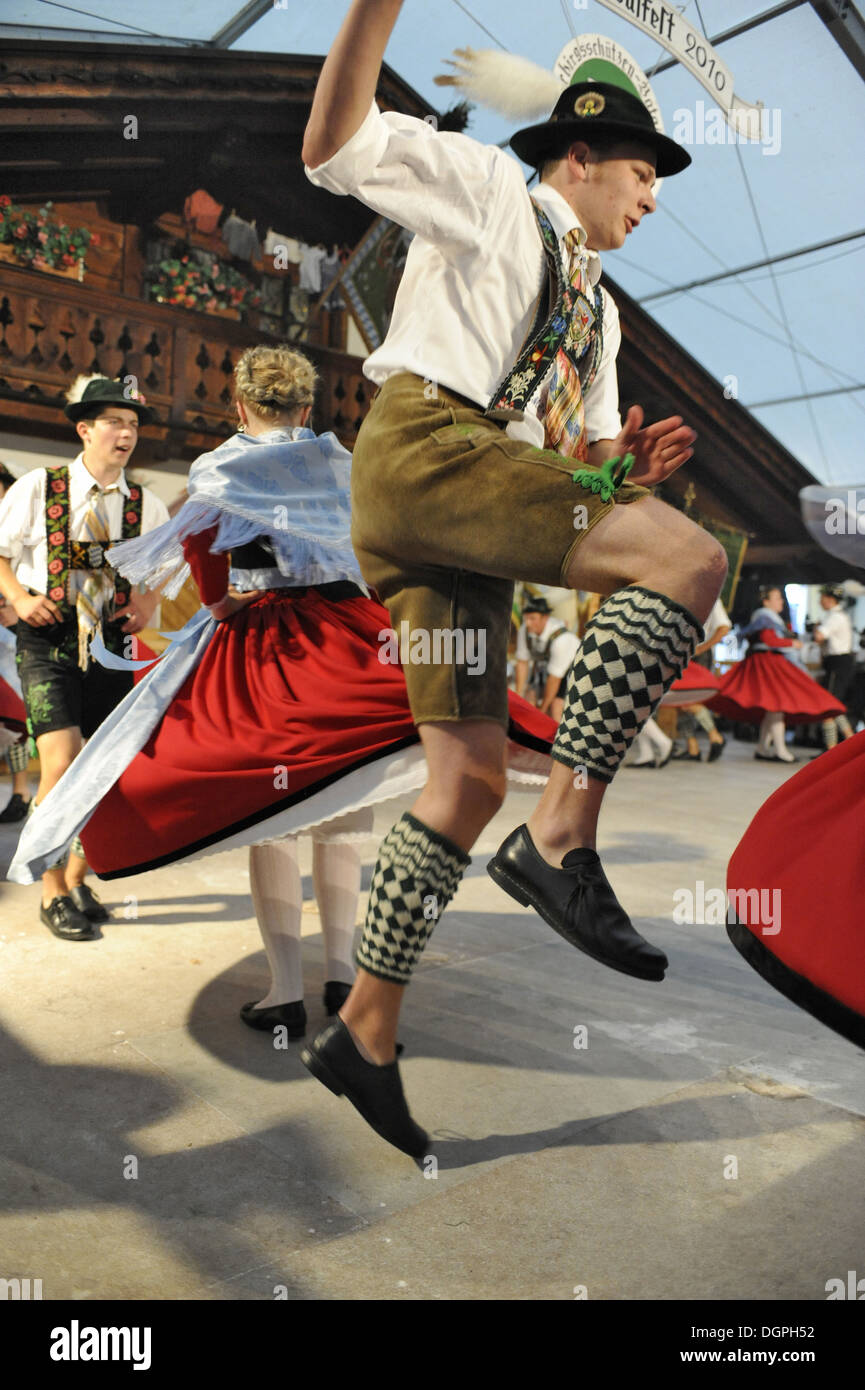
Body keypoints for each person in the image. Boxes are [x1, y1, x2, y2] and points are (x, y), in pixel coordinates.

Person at [298, 0, 728, 1159]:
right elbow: (331, 147)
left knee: (467, 780)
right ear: (576, 157)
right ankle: (564, 836)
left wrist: (622, 466)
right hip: (426, 449)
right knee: (693, 557)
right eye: (641, 174)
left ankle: (364, 1028)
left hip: (470, 507)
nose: (650, 199)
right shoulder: (492, 188)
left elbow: (572, 464)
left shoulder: (601, 313)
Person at [9, 346, 556, 1032]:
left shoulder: (218, 468)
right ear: (307, 408)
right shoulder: (343, 464)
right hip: (349, 631)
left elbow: (209, 565)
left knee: (270, 819)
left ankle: (284, 993)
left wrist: (228, 603)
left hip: (263, 640)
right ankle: (341, 979)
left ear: (239, 406)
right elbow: (383, 550)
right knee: (340, 825)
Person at [0, 376, 168, 939]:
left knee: (109, 769)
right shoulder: (36, 486)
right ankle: (49, 890)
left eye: (134, 425)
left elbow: (168, 566)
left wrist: (145, 604)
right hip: (47, 641)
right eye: (116, 423)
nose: (127, 434)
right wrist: (20, 598)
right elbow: (0, 553)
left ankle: (76, 877)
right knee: (63, 761)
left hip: (113, 648)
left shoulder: (148, 505)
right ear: (85, 429)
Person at [727, 488, 865, 1049]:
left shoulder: (800, 620)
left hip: (784, 665)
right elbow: (769, 638)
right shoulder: (766, 616)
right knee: (783, 713)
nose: (784, 604)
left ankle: (775, 748)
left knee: (791, 713)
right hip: (774, 666)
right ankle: (774, 749)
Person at [713, 586, 844, 763]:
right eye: (777, 598)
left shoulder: (766, 617)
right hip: (768, 664)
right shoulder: (765, 617)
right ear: (766, 601)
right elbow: (768, 640)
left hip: (769, 662)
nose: (781, 601)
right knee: (776, 706)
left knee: (773, 708)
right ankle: (780, 750)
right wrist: (792, 643)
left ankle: (763, 747)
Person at [0, 463, 32, 823]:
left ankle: (21, 791)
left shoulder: (21, 526)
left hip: (14, 634)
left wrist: (14, 605)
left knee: (15, 719)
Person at [670, 595, 730, 762]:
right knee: (678, 699)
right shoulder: (684, 596)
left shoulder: (712, 598)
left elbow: (724, 628)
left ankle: (715, 735)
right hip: (683, 652)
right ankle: (693, 747)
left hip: (698, 653)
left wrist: (702, 648)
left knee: (688, 699)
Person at [514, 595, 580, 721]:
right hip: (546, 666)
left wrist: (542, 711)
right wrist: (518, 697)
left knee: (555, 707)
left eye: (532, 619)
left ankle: (555, 737)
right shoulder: (524, 630)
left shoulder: (562, 639)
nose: (528, 623)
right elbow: (522, 663)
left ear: (545, 618)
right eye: (526, 618)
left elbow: (554, 679)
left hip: (571, 670)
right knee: (528, 699)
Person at [813, 583, 856, 751]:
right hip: (839, 663)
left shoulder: (834, 617)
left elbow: (819, 637)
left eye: (822, 597)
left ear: (830, 599)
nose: (820, 601)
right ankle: (851, 742)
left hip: (838, 663)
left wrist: (816, 628)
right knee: (833, 706)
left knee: (828, 707)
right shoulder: (838, 615)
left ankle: (831, 750)